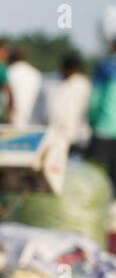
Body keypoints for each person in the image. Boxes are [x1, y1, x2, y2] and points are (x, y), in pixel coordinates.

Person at [45, 54, 91, 154]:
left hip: (74, 136)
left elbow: (87, 110)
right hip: (51, 134)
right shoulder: (50, 80)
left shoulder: (83, 84)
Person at [88, 38, 116, 182]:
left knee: (97, 178)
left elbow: (94, 99)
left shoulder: (105, 67)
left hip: (103, 129)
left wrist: (91, 121)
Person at [6, 48, 43, 128]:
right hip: (34, 123)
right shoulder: (36, 73)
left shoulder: (9, 72)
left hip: (14, 123)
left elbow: (7, 97)